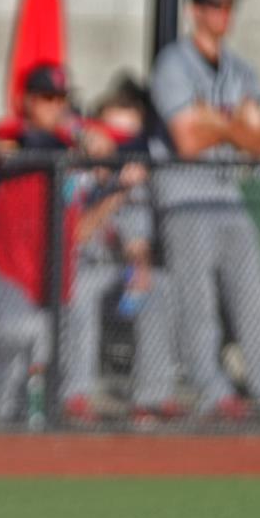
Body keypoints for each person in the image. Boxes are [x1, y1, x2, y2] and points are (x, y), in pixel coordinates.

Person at [148, 0, 260, 422]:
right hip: (184, 199)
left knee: (252, 299)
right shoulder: (173, 63)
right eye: (214, 5)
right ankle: (212, 391)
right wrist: (231, 125)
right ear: (196, 10)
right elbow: (186, 140)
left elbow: (258, 140)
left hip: (227, 197)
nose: (223, 14)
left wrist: (215, 122)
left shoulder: (241, 69)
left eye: (228, 6)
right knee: (197, 303)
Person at [0, 63, 134, 423]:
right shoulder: (11, 129)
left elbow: (125, 142)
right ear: (27, 100)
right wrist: (80, 138)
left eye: (61, 99)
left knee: (40, 346)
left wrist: (96, 146)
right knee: (22, 328)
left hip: (44, 277)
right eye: (46, 98)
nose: (55, 106)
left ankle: (1, 417)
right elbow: (13, 143)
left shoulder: (71, 142)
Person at [64, 84, 179, 425]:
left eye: (127, 136)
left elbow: (137, 241)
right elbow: (77, 234)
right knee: (81, 291)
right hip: (75, 271)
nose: (116, 143)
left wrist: (140, 268)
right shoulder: (72, 172)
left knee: (159, 286)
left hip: (115, 273)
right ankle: (74, 395)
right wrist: (116, 193)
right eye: (111, 132)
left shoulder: (131, 174)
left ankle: (153, 395)